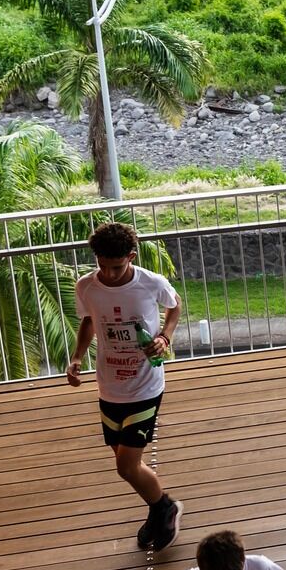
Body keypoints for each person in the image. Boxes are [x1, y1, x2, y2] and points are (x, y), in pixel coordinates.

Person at [67, 221, 181, 550]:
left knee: (126, 465)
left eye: (116, 267)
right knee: (124, 459)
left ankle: (164, 508)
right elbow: (88, 320)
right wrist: (76, 358)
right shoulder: (87, 286)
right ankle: (158, 509)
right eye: (102, 266)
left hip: (145, 384)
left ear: (131, 257)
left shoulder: (150, 282)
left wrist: (164, 337)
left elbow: (174, 305)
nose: (109, 274)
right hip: (109, 386)